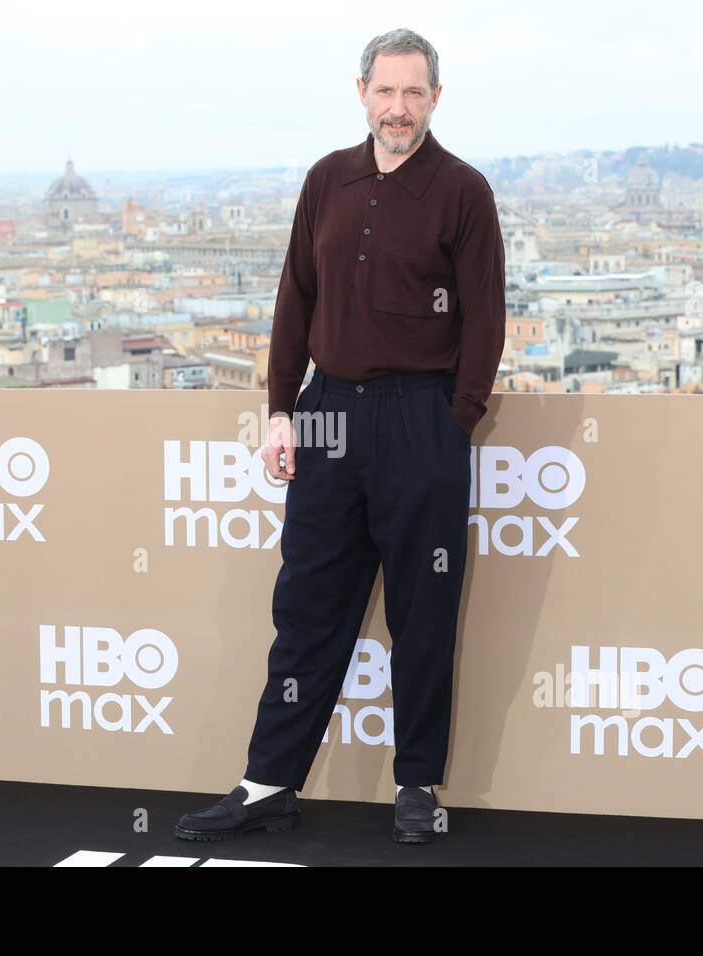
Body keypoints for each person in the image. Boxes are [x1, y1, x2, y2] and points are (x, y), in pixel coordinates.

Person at [174, 27, 505, 845]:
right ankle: (267, 784)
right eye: (386, 92)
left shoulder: (464, 192)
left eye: (414, 93)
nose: (399, 108)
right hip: (325, 412)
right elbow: (296, 297)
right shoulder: (327, 179)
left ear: (436, 98)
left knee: (423, 618)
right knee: (307, 608)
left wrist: (449, 424)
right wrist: (282, 408)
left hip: (419, 416)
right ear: (361, 93)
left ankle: (418, 787)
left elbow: (486, 321)